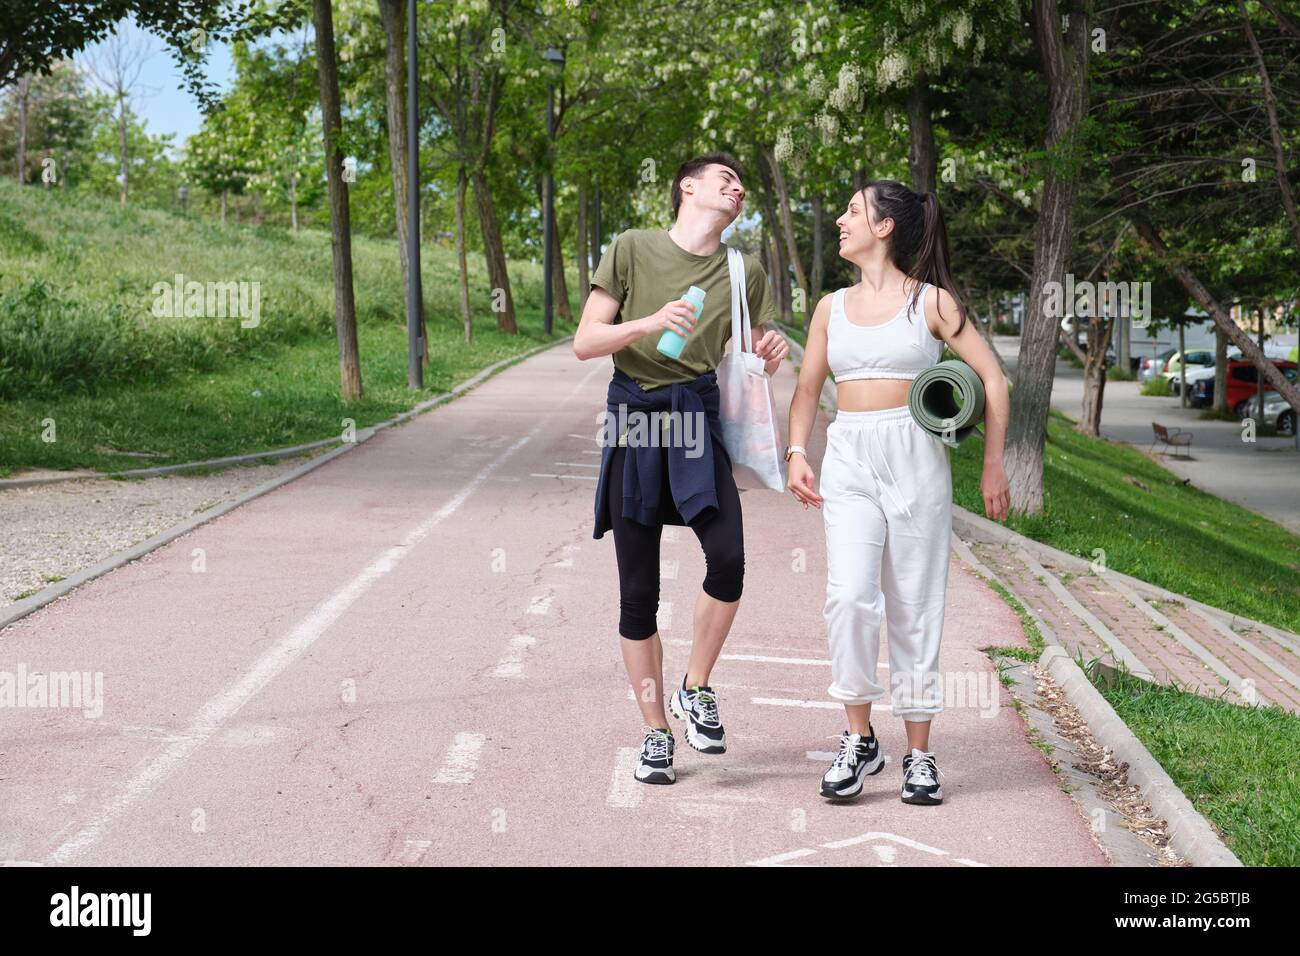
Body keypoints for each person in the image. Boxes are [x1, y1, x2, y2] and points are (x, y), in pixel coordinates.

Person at [784, 179, 1011, 805]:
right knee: (850, 597)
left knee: (914, 605)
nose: (840, 218)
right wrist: (798, 450)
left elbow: (992, 377)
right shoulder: (831, 306)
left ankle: (919, 753)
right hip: (850, 453)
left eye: (851, 209)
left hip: (916, 457)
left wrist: (993, 465)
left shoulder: (931, 302)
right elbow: (806, 390)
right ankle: (858, 739)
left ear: (884, 227)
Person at [574, 152, 790, 785]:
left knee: (728, 556)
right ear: (687, 188)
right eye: (725, 179)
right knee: (638, 591)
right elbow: (586, 341)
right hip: (635, 412)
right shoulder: (633, 247)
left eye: (741, 184)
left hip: (695, 413)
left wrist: (769, 353)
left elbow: (749, 351)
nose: (737, 188)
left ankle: (694, 688)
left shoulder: (742, 269)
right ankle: (655, 734)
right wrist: (648, 321)